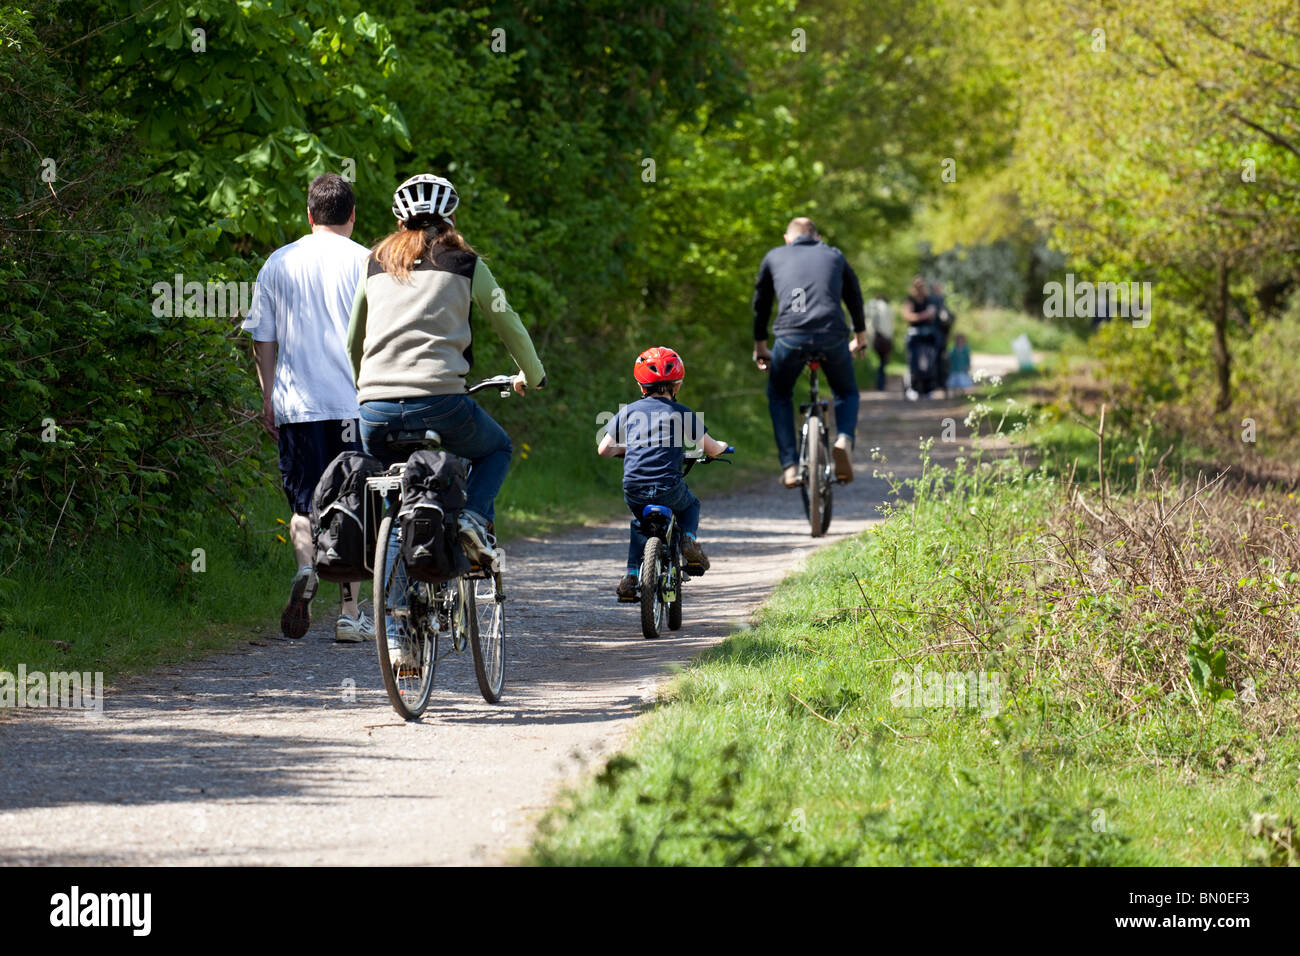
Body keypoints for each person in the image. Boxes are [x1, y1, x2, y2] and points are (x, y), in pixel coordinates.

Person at [348, 174, 545, 663]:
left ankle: (397, 637)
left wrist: (365, 386)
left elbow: (353, 337)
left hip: (374, 411)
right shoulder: (466, 264)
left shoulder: (374, 264)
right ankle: (472, 522)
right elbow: (508, 322)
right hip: (443, 403)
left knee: (396, 505)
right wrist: (532, 375)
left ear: (399, 221)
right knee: (496, 447)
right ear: (450, 220)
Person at [242, 172, 374, 643]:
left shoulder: (278, 263)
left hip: (298, 404)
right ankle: (349, 613)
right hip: (355, 406)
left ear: (309, 214)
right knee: (354, 504)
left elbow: (263, 338)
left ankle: (305, 570)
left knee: (303, 503)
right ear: (353, 216)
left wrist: (269, 397)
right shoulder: (370, 262)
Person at [597, 348, 729, 602]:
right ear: (677, 385)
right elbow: (710, 448)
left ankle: (631, 574)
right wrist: (721, 447)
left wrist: (630, 448)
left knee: (639, 524)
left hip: (633, 488)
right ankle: (688, 541)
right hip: (668, 486)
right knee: (690, 505)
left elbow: (604, 449)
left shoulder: (628, 411)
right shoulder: (681, 412)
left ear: (640, 385)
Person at [752, 217, 867, 488]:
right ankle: (843, 440)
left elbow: (762, 304)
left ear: (787, 239)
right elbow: (854, 295)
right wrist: (860, 337)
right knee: (846, 391)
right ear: (817, 238)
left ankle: (790, 466)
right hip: (832, 336)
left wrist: (760, 346)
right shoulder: (834, 255)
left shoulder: (774, 256)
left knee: (779, 394)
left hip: (790, 338)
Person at [901, 275, 940, 401]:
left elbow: (933, 316)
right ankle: (912, 389)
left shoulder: (928, 300)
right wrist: (923, 316)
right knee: (913, 364)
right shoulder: (910, 300)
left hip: (928, 335)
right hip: (914, 335)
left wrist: (931, 315)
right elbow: (907, 316)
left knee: (929, 364)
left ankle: (928, 389)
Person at [928, 279, 956, 388]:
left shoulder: (935, 299)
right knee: (937, 358)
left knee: (938, 358)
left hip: (937, 335)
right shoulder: (937, 299)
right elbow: (944, 318)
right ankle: (938, 381)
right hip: (937, 335)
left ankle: (937, 381)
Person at [867, 294, 894, 391]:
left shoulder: (874, 306)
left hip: (877, 338)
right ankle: (880, 384)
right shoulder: (888, 308)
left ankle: (879, 383)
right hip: (885, 339)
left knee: (879, 362)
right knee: (882, 362)